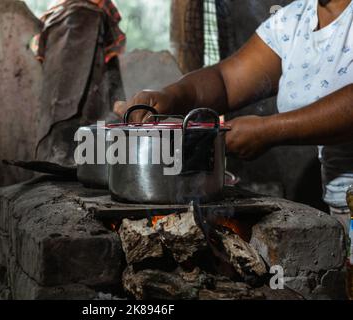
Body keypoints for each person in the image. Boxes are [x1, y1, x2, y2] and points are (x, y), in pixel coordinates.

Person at [114, 0, 353, 231]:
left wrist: (269, 131)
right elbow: (226, 81)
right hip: (342, 207)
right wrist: (171, 96)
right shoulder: (295, 19)